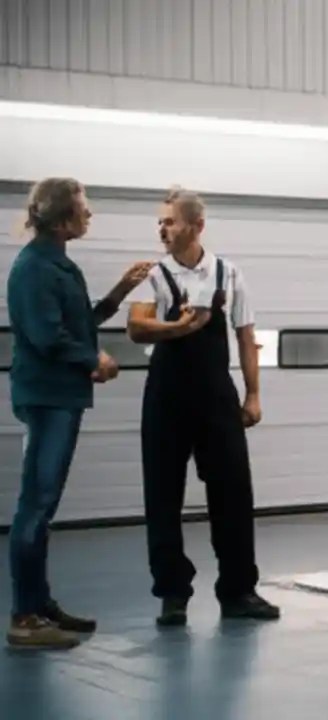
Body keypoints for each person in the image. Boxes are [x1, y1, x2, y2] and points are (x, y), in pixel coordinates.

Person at [7, 177, 153, 650]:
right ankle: (25, 618)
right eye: (83, 208)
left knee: (42, 506)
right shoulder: (35, 268)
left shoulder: (58, 265)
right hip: (48, 397)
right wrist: (95, 361)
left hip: (60, 396)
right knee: (35, 505)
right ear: (62, 216)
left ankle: (40, 602)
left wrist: (117, 293)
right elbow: (49, 337)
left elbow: (77, 323)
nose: (89, 215)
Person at [126, 187, 279, 626]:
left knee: (232, 492)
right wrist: (178, 327)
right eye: (159, 222)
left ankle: (238, 590)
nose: (162, 228)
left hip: (216, 396)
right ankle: (172, 593)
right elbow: (137, 327)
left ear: (196, 226)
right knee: (162, 494)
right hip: (166, 398)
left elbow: (246, 337)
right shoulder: (155, 275)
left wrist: (253, 394)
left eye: (169, 221)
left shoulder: (228, 274)